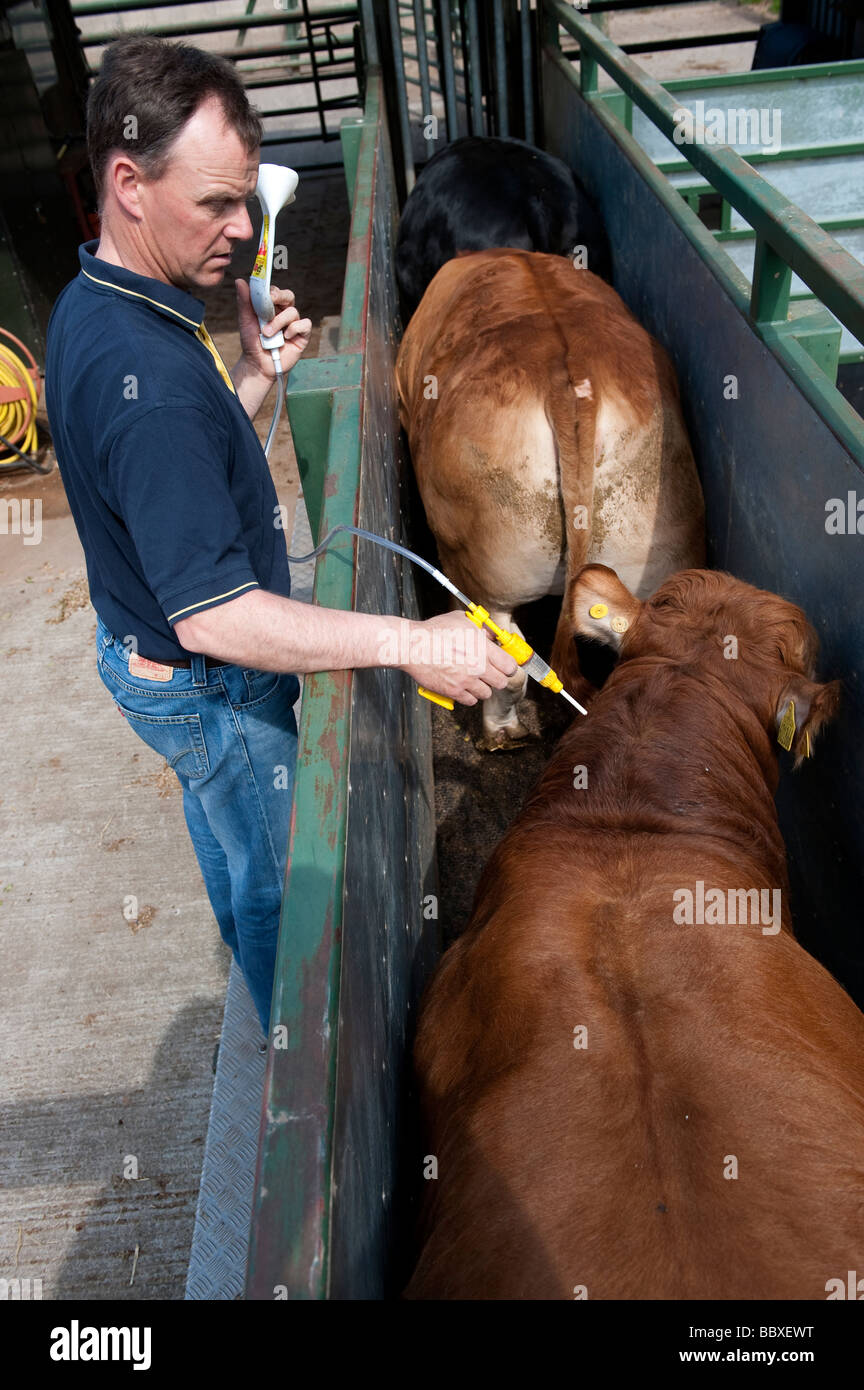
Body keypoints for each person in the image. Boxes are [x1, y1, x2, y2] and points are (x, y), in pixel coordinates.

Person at [44, 36, 515, 1039]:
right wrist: (413, 642)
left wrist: (254, 378)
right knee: (278, 891)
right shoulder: (152, 384)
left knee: (228, 838)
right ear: (128, 181)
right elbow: (217, 616)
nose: (244, 225)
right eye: (216, 201)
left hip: (147, 656)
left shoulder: (98, 298)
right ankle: (305, 1056)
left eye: (245, 195)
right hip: (210, 683)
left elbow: (173, 495)